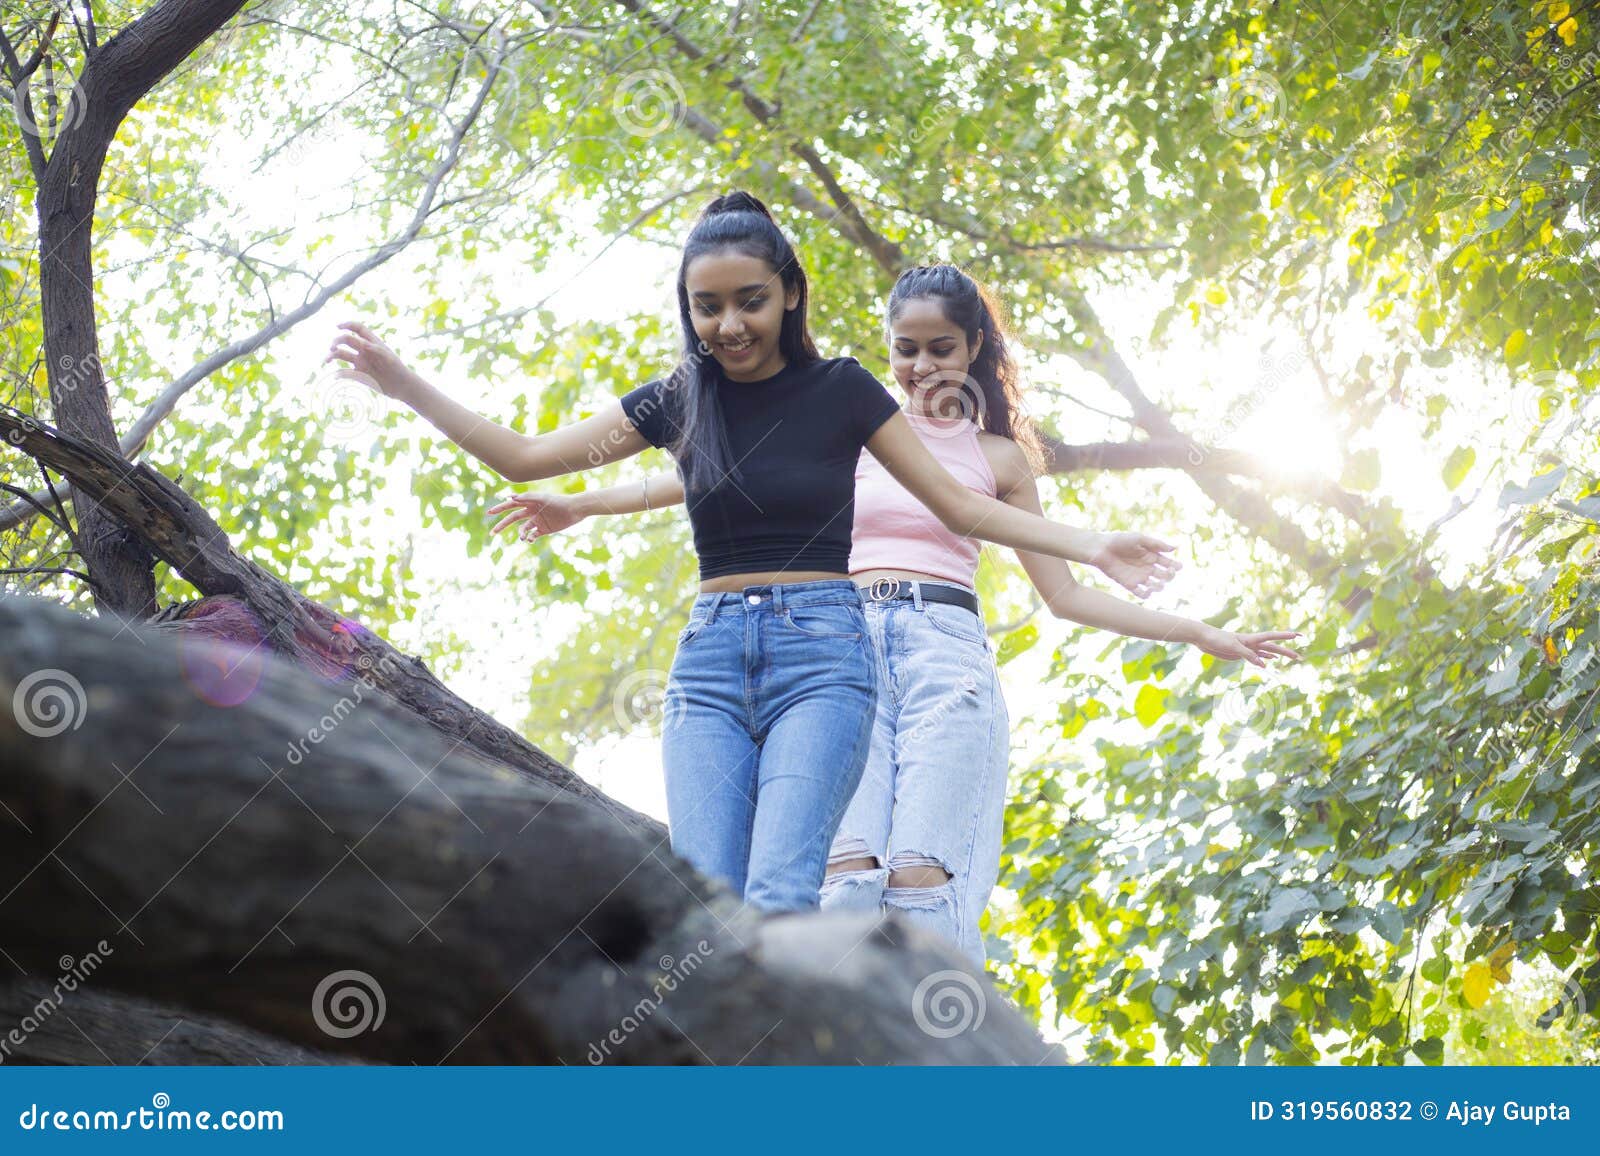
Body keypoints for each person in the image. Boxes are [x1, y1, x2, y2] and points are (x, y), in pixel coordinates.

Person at [328, 193, 1181, 918]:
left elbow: (958, 504)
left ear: (791, 296)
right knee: (708, 906)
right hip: (708, 662)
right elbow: (524, 455)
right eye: (708, 306)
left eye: (750, 300)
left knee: (780, 898)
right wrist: (404, 384)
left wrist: (1092, 543)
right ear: (687, 309)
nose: (729, 325)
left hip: (823, 654)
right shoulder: (676, 401)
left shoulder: (843, 392)